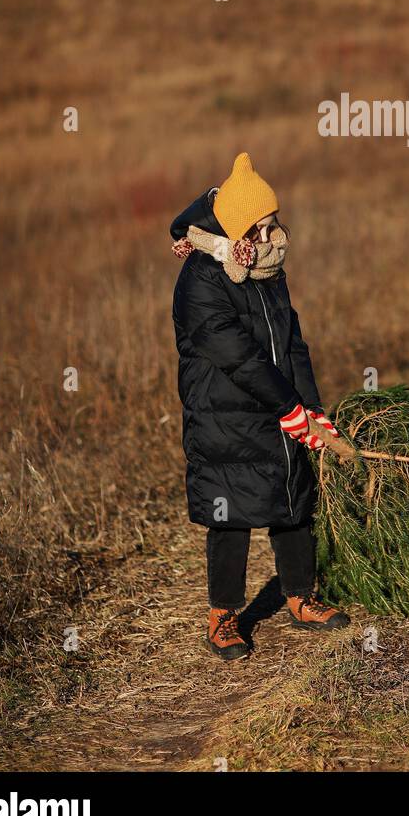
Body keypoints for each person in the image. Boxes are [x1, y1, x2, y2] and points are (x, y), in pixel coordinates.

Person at [170, 151, 350, 661]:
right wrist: (289, 407)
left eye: (276, 225)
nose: (276, 236)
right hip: (224, 414)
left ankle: (300, 595)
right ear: (240, 231)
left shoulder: (267, 269)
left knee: (293, 499)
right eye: (264, 227)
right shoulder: (201, 283)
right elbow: (241, 359)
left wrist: (310, 409)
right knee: (230, 511)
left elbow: (292, 343)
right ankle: (223, 614)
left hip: (279, 403)